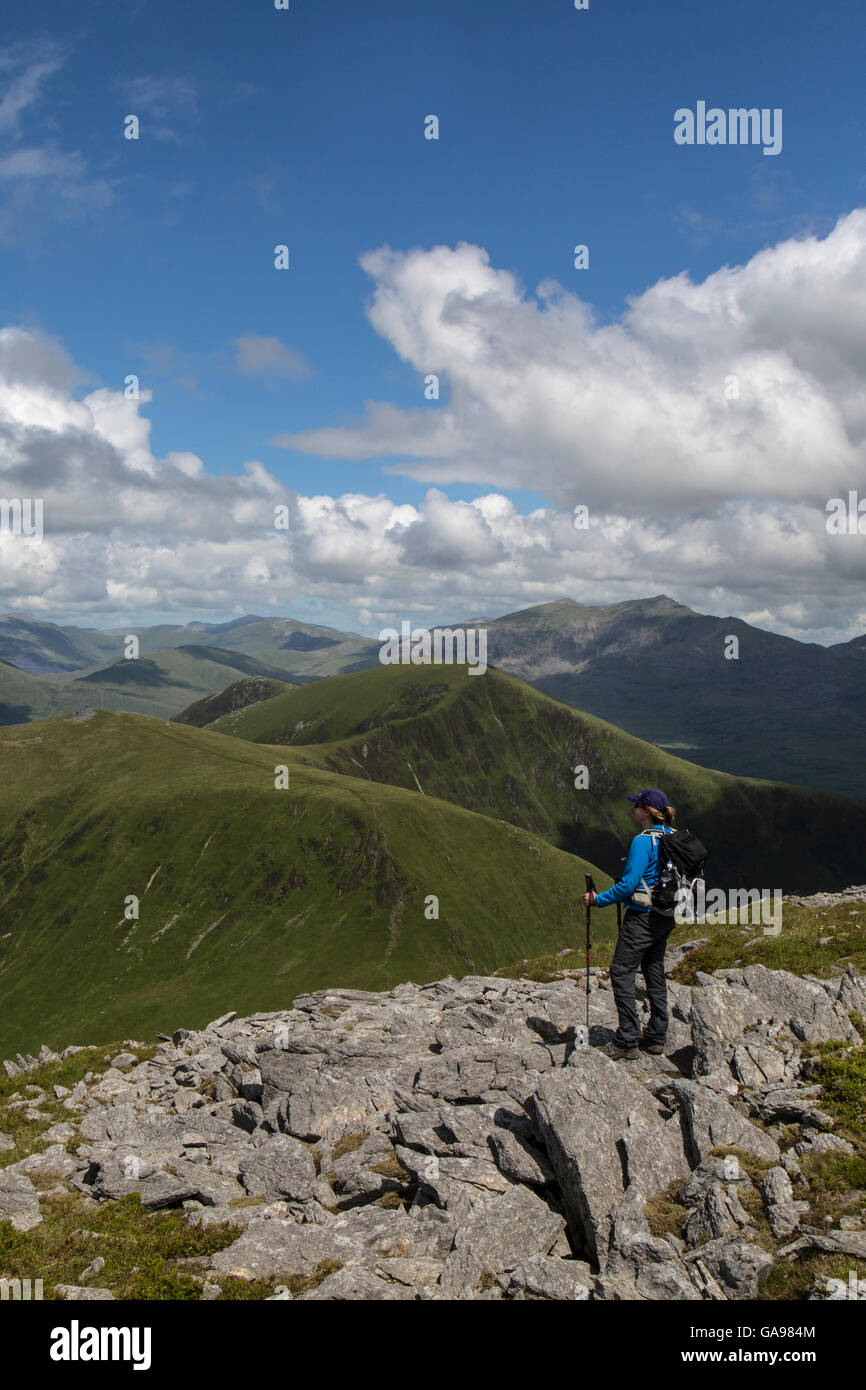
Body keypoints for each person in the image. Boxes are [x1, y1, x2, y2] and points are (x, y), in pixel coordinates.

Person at [582, 788, 677, 1060]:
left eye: (637, 805)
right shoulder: (672, 837)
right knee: (653, 968)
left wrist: (598, 900)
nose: (633, 808)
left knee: (621, 970)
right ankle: (657, 1036)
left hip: (642, 917)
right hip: (665, 915)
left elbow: (629, 884)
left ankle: (627, 1040)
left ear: (646, 811)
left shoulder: (642, 842)